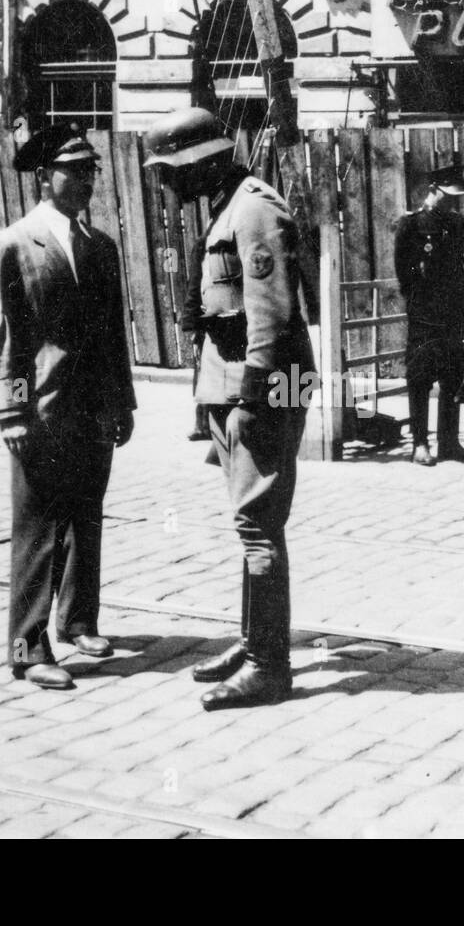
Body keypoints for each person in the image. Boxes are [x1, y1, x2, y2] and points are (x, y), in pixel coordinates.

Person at [143, 107, 315, 711]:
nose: (165, 183)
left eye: (169, 170)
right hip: (236, 388)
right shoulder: (227, 207)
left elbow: (273, 312)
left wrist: (251, 397)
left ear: (199, 163)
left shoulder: (254, 208)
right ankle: (252, 644)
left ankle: (271, 666)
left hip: (266, 386)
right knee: (251, 526)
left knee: (258, 525)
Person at [0, 124, 136, 690]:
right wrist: (9, 411)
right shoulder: (8, 246)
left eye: (92, 169)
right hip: (40, 409)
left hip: (92, 409)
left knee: (86, 519)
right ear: (45, 176)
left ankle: (78, 619)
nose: (87, 179)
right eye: (75, 169)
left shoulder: (101, 246)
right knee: (39, 526)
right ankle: (28, 644)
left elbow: (114, 333)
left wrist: (124, 403)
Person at [394, 165, 464, 467]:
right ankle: (420, 443)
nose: (453, 202)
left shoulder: (458, 224)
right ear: (433, 189)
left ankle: (449, 443)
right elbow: (404, 276)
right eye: (449, 195)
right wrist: (423, 299)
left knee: (454, 377)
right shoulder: (411, 225)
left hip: (455, 311)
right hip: (425, 315)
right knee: (420, 377)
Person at [179, 266, 212, 441]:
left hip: (209, 330)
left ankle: (205, 426)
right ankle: (202, 425)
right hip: (202, 332)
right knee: (202, 378)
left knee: (206, 379)